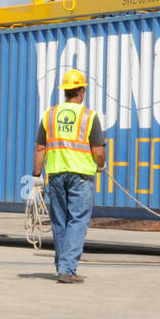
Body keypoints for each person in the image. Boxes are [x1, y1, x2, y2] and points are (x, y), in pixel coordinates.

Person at [32, 68, 106, 283]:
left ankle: (63, 266)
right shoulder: (89, 116)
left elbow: (40, 148)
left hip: (55, 175)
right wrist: (100, 165)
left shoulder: (50, 115)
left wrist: (37, 175)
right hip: (81, 175)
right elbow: (99, 151)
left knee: (59, 221)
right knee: (78, 221)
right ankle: (67, 268)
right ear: (81, 92)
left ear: (65, 91)